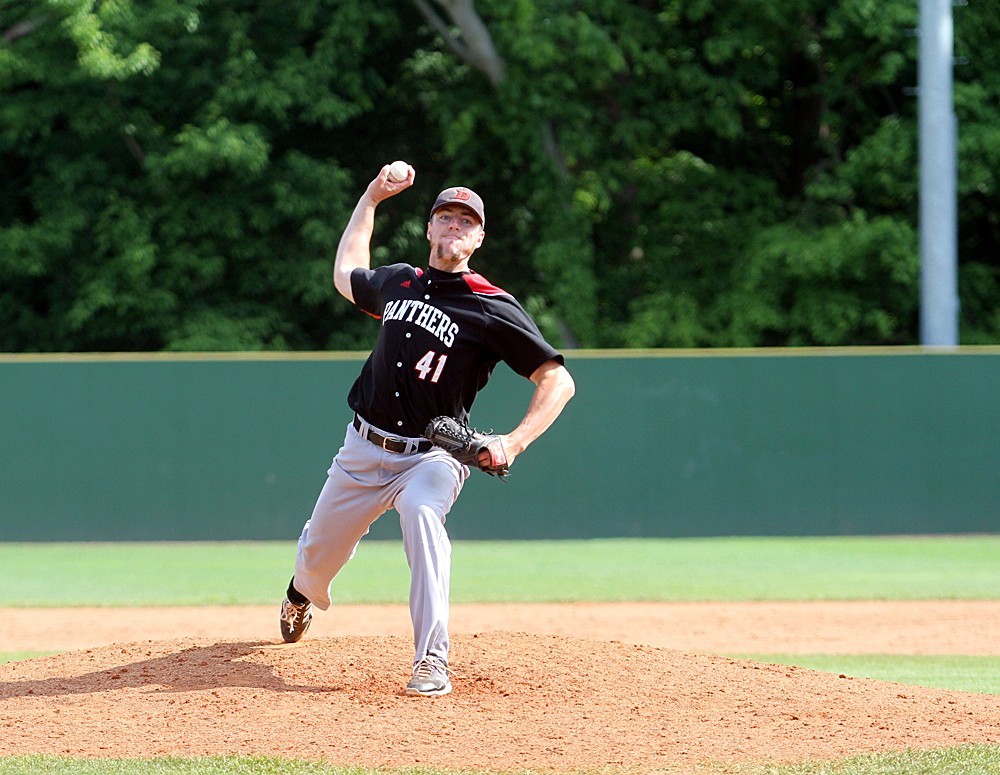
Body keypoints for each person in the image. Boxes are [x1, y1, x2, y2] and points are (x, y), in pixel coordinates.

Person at [279, 163, 575, 697]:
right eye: (446, 216)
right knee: (317, 557)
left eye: (467, 221)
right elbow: (346, 272)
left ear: (479, 238)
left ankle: (432, 659)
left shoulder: (490, 305)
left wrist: (513, 441)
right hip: (363, 448)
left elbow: (558, 379)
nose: (455, 226)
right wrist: (371, 198)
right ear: (430, 227)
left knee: (421, 514)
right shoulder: (399, 281)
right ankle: (300, 596)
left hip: (434, 455)